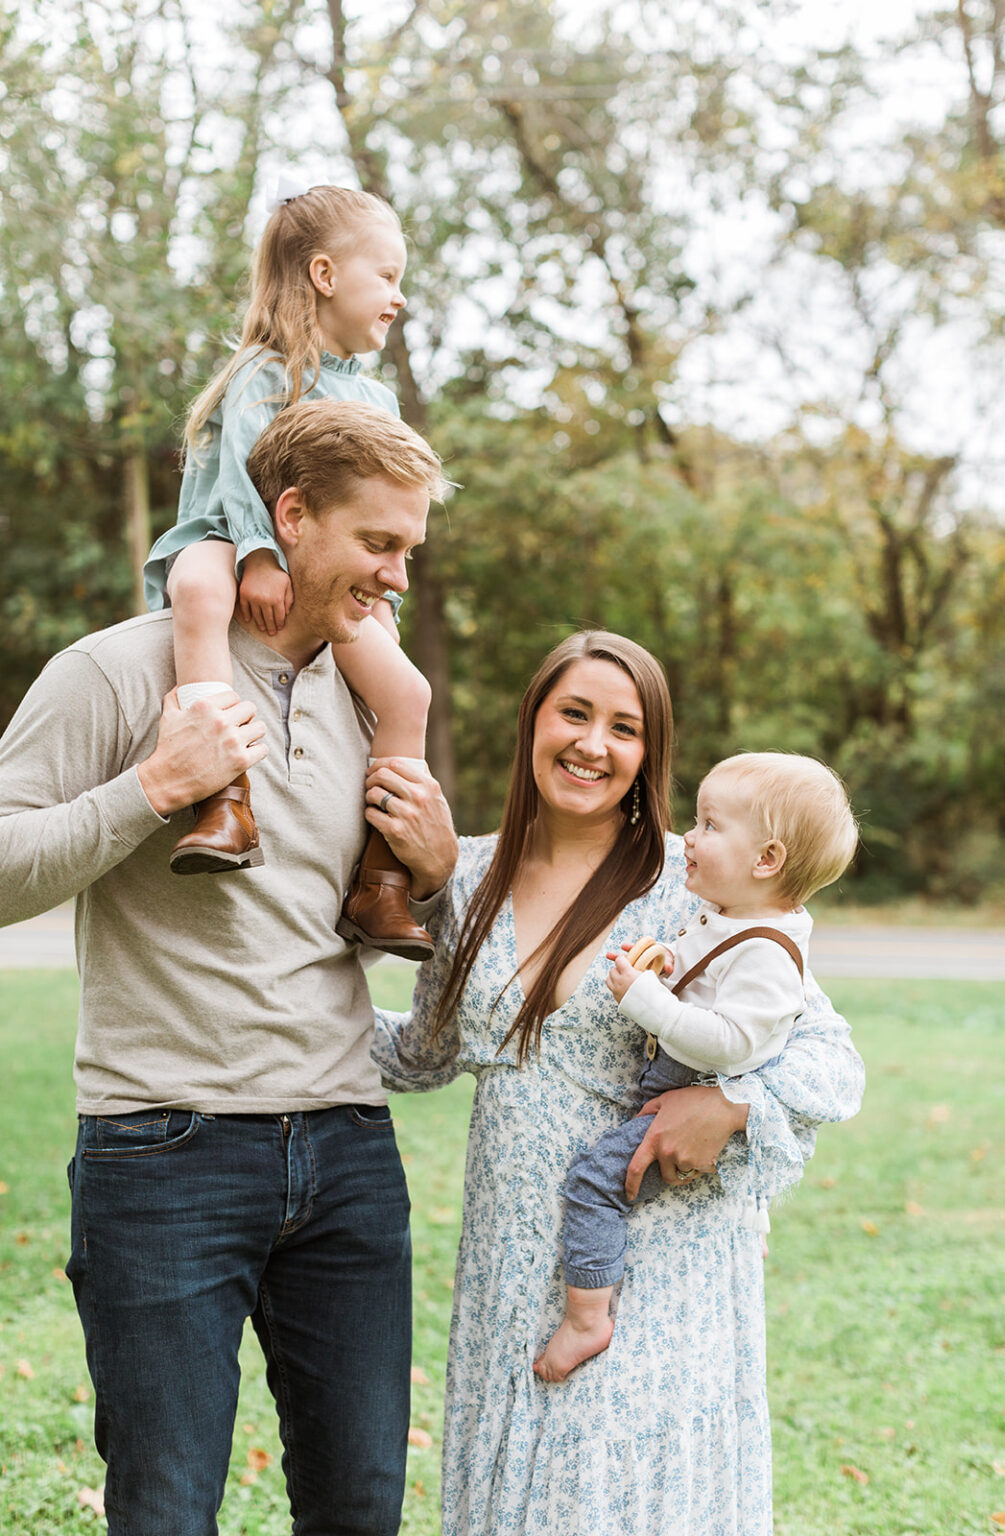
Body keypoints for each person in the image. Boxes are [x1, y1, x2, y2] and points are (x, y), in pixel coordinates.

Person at [0, 398, 458, 1536]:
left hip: (348, 1150)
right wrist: (154, 787)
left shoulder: (374, 696)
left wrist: (434, 873)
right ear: (290, 517)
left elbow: (383, 928)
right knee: (165, 1509)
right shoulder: (117, 671)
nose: (398, 577)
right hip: (164, 1151)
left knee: (360, 1507)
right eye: (377, 543)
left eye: (409, 548)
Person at [372, 630, 865, 1536]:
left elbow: (830, 1058)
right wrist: (276, 1007)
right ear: (534, 720)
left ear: (649, 753)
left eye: (624, 728)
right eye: (574, 713)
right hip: (512, 1258)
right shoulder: (466, 872)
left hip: (660, 1261)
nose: (593, 744)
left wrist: (731, 1104)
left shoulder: (698, 883)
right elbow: (424, 1054)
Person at [144, 180, 434, 960]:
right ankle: (224, 800)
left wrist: (379, 606)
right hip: (224, 536)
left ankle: (382, 880)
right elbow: (240, 483)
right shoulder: (263, 374)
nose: (399, 296)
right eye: (388, 275)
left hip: (323, 572)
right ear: (325, 275)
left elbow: (387, 507)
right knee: (197, 589)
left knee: (408, 692)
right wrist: (261, 556)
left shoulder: (375, 396)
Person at [534, 750, 859, 1382]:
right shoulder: (733, 914)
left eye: (709, 825)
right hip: (677, 1081)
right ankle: (753, 1211)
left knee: (596, 1181)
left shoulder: (769, 950)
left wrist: (645, 999)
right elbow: (707, 978)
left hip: (696, 1089)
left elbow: (731, 1042)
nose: (689, 836)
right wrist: (663, 963)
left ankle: (587, 1317)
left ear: (766, 859)